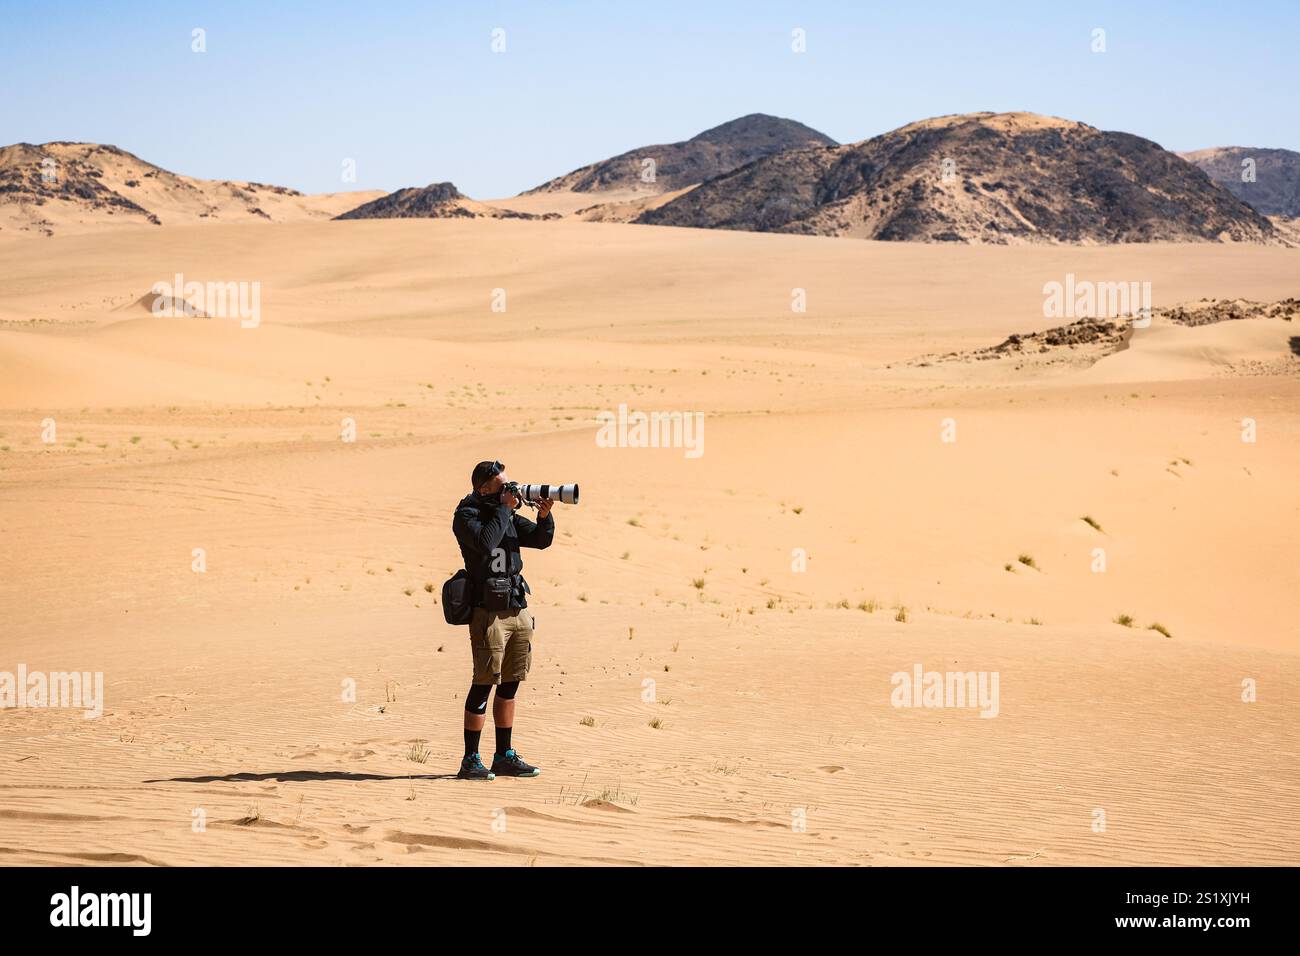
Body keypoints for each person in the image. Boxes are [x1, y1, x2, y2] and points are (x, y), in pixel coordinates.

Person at [451, 460, 554, 781]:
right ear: (484, 488)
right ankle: (470, 760)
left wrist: (544, 516)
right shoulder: (466, 516)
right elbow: (484, 542)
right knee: (484, 683)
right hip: (488, 611)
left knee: (510, 683)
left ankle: (504, 756)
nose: (510, 490)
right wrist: (505, 510)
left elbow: (540, 540)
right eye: (502, 485)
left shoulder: (504, 513)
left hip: (516, 606)